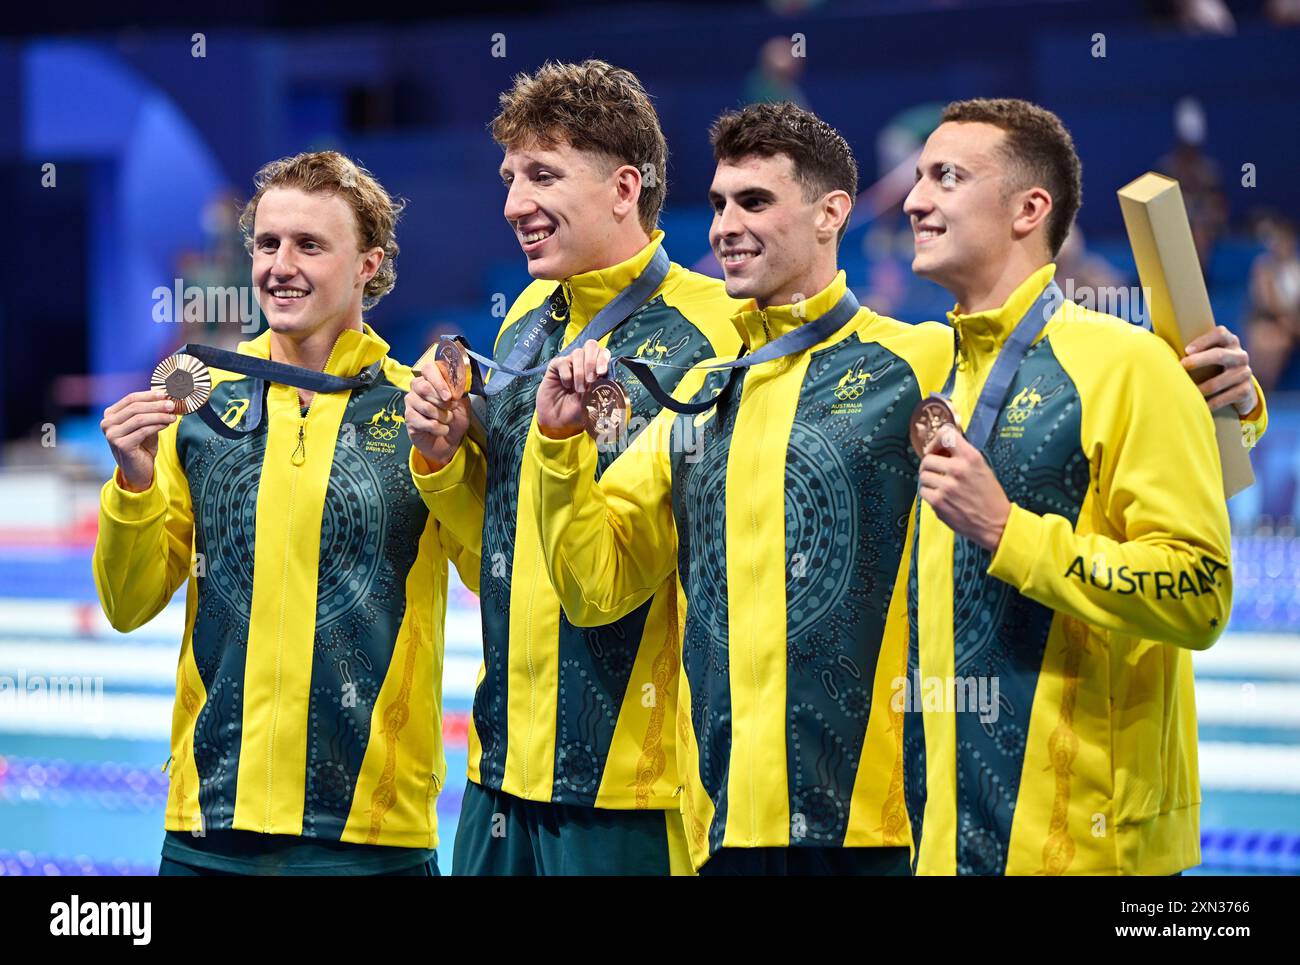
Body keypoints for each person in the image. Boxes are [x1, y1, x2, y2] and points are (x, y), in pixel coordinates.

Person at [529, 102, 952, 875]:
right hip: (723, 829)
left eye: (754, 201)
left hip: (882, 831)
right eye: (720, 202)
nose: (725, 223)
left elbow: (1066, 400)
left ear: (832, 214)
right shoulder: (701, 395)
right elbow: (598, 585)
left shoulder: (919, 360)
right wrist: (558, 448)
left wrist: (1229, 400)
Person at [900, 98, 1267, 875]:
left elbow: (1199, 592)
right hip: (940, 840)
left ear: (1029, 208)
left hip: (1089, 846)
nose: (913, 198)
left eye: (947, 176)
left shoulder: (1127, 363)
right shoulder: (923, 370)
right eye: (919, 177)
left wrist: (1009, 531)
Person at [94, 151, 481, 875]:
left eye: (309, 244)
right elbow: (126, 601)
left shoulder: (418, 409)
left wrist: (445, 461)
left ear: (369, 264)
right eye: (267, 244)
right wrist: (135, 484)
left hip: (372, 837)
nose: (280, 264)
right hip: (210, 828)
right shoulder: (204, 408)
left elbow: (496, 576)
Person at [405, 60, 740, 875]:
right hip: (502, 771)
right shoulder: (527, 318)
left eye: (543, 175)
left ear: (626, 187)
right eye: (511, 177)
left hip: (633, 788)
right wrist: (444, 459)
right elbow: (503, 557)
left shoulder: (718, 331)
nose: (515, 203)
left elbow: (613, 576)